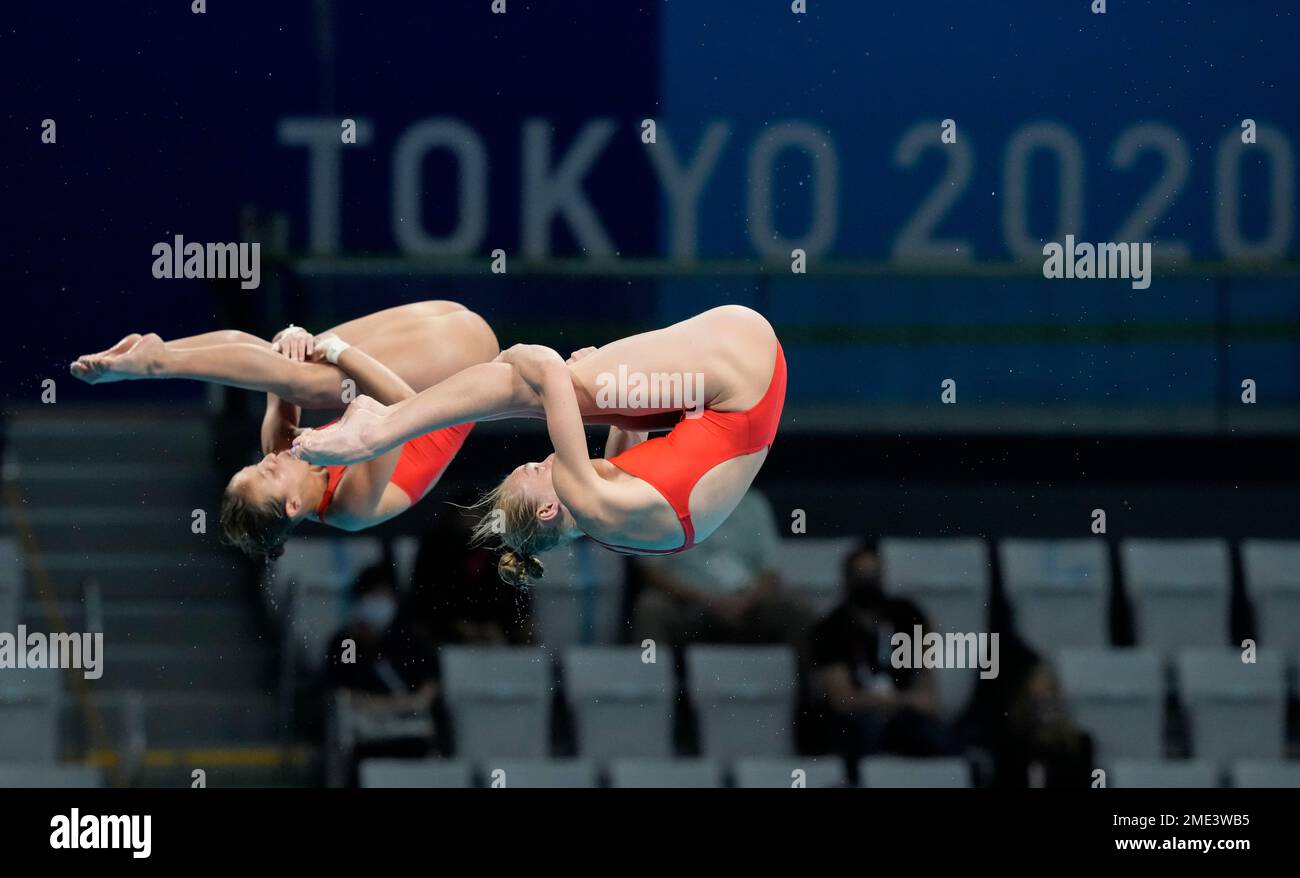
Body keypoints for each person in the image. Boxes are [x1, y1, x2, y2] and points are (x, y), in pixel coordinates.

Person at [291, 305, 787, 585]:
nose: (539, 460)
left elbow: (637, 438)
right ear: (550, 509)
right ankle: (381, 429)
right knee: (528, 387)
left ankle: (390, 421)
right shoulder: (587, 497)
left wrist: (617, 379)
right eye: (531, 471)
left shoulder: (608, 527)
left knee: (571, 394)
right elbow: (547, 367)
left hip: (737, 395)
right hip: (741, 371)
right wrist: (515, 356)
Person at [69, 301, 500, 559]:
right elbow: (403, 406)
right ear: (294, 505)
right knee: (309, 383)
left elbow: (273, 365)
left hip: (436, 319)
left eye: (257, 465)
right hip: (465, 357)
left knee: (294, 368)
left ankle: (162, 354)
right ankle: (158, 365)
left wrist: (290, 335)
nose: (270, 458)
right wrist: (339, 352)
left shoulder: (283, 450)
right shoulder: (349, 507)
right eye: (269, 474)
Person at [807, 541, 955, 759]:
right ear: (846, 580)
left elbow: (928, 697)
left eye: (874, 575)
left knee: (931, 735)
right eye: (861, 575)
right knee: (864, 731)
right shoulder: (830, 628)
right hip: (859, 721)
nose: (868, 583)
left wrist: (905, 703)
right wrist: (899, 701)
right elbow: (843, 700)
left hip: (904, 719)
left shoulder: (906, 615)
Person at [633, 490, 811, 650]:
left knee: (798, 608)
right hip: (689, 603)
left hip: (748, 603)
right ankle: (655, 685)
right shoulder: (661, 506)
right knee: (651, 608)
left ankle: (811, 685)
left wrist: (747, 601)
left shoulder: (754, 503)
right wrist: (706, 599)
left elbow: (770, 572)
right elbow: (654, 573)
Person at [321, 564, 441, 777]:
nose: (377, 603)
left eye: (382, 596)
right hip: (365, 734)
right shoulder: (347, 643)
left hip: (410, 732)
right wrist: (390, 706)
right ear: (360, 600)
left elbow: (429, 687)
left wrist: (410, 704)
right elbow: (339, 692)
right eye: (372, 596)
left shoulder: (412, 639)